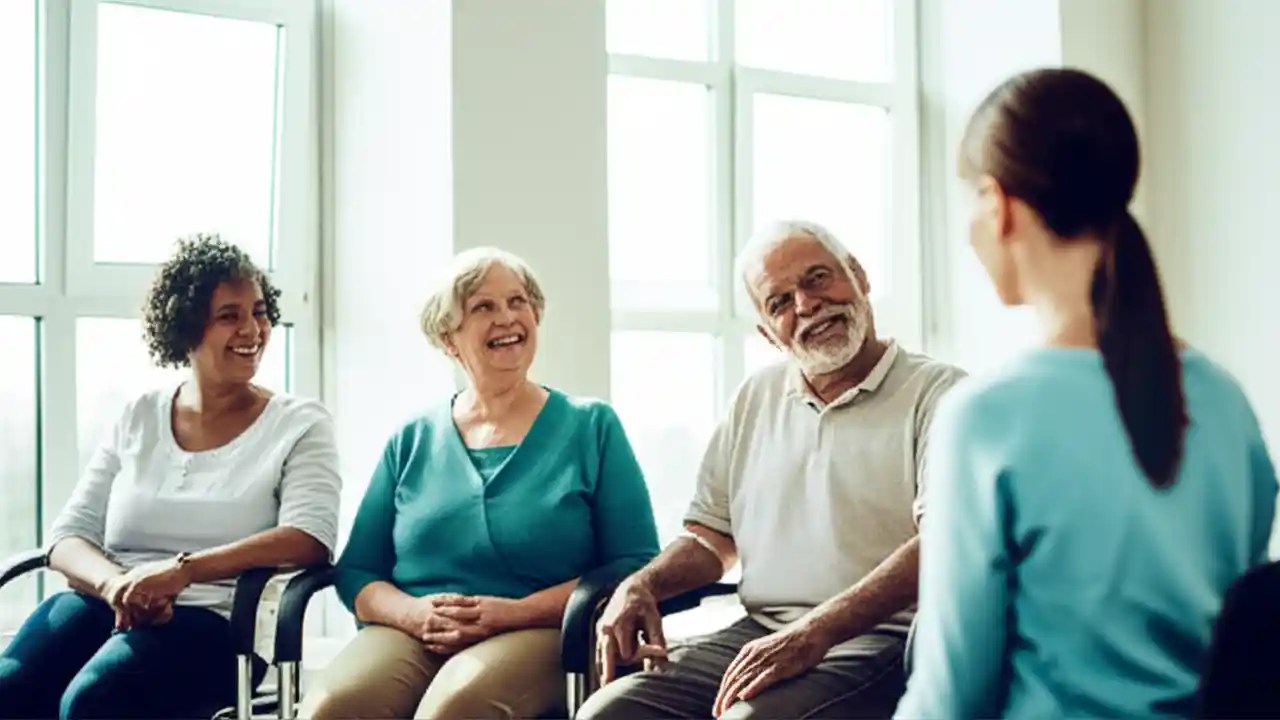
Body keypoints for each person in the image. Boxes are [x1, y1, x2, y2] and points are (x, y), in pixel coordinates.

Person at [895, 68, 1279, 718]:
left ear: (1001, 204)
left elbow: (950, 699)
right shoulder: (1227, 403)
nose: (968, 233)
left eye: (971, 202)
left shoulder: (987, 418)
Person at [581, 220, 968, 720]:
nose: (806, 305)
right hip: (762, 632)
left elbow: (944, 542)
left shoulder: (940, 394)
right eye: (780, 302)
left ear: (859, 276)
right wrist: (641, 585)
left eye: (817, 278)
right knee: (606, 715)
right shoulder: (754, 398)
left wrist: (815, 631)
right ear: (767, 333)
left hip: (880, 641)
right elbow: (709, 541)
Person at [301, 247, 660, 720]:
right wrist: (415, 615)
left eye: (518, 302)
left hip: (544, 630)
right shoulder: (412, 438)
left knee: (456, 709)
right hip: (416, 628)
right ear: (448, 338)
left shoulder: (591, 426)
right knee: (332, 707)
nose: (507, 318)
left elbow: (632, 563)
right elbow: (358, 573)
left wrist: (509, 613)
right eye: (483, 307)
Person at [0, 234, 342, 719]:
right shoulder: (139, 414)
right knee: (9, 688)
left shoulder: (299, 423)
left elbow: (309, 539)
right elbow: (67, 537)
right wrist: (119, 586)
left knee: (93, 701)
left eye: (260, 311)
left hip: (218, 621)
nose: (253, 329)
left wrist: (180, 573)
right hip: (109, 600)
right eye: (230, 315)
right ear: (187, 327)